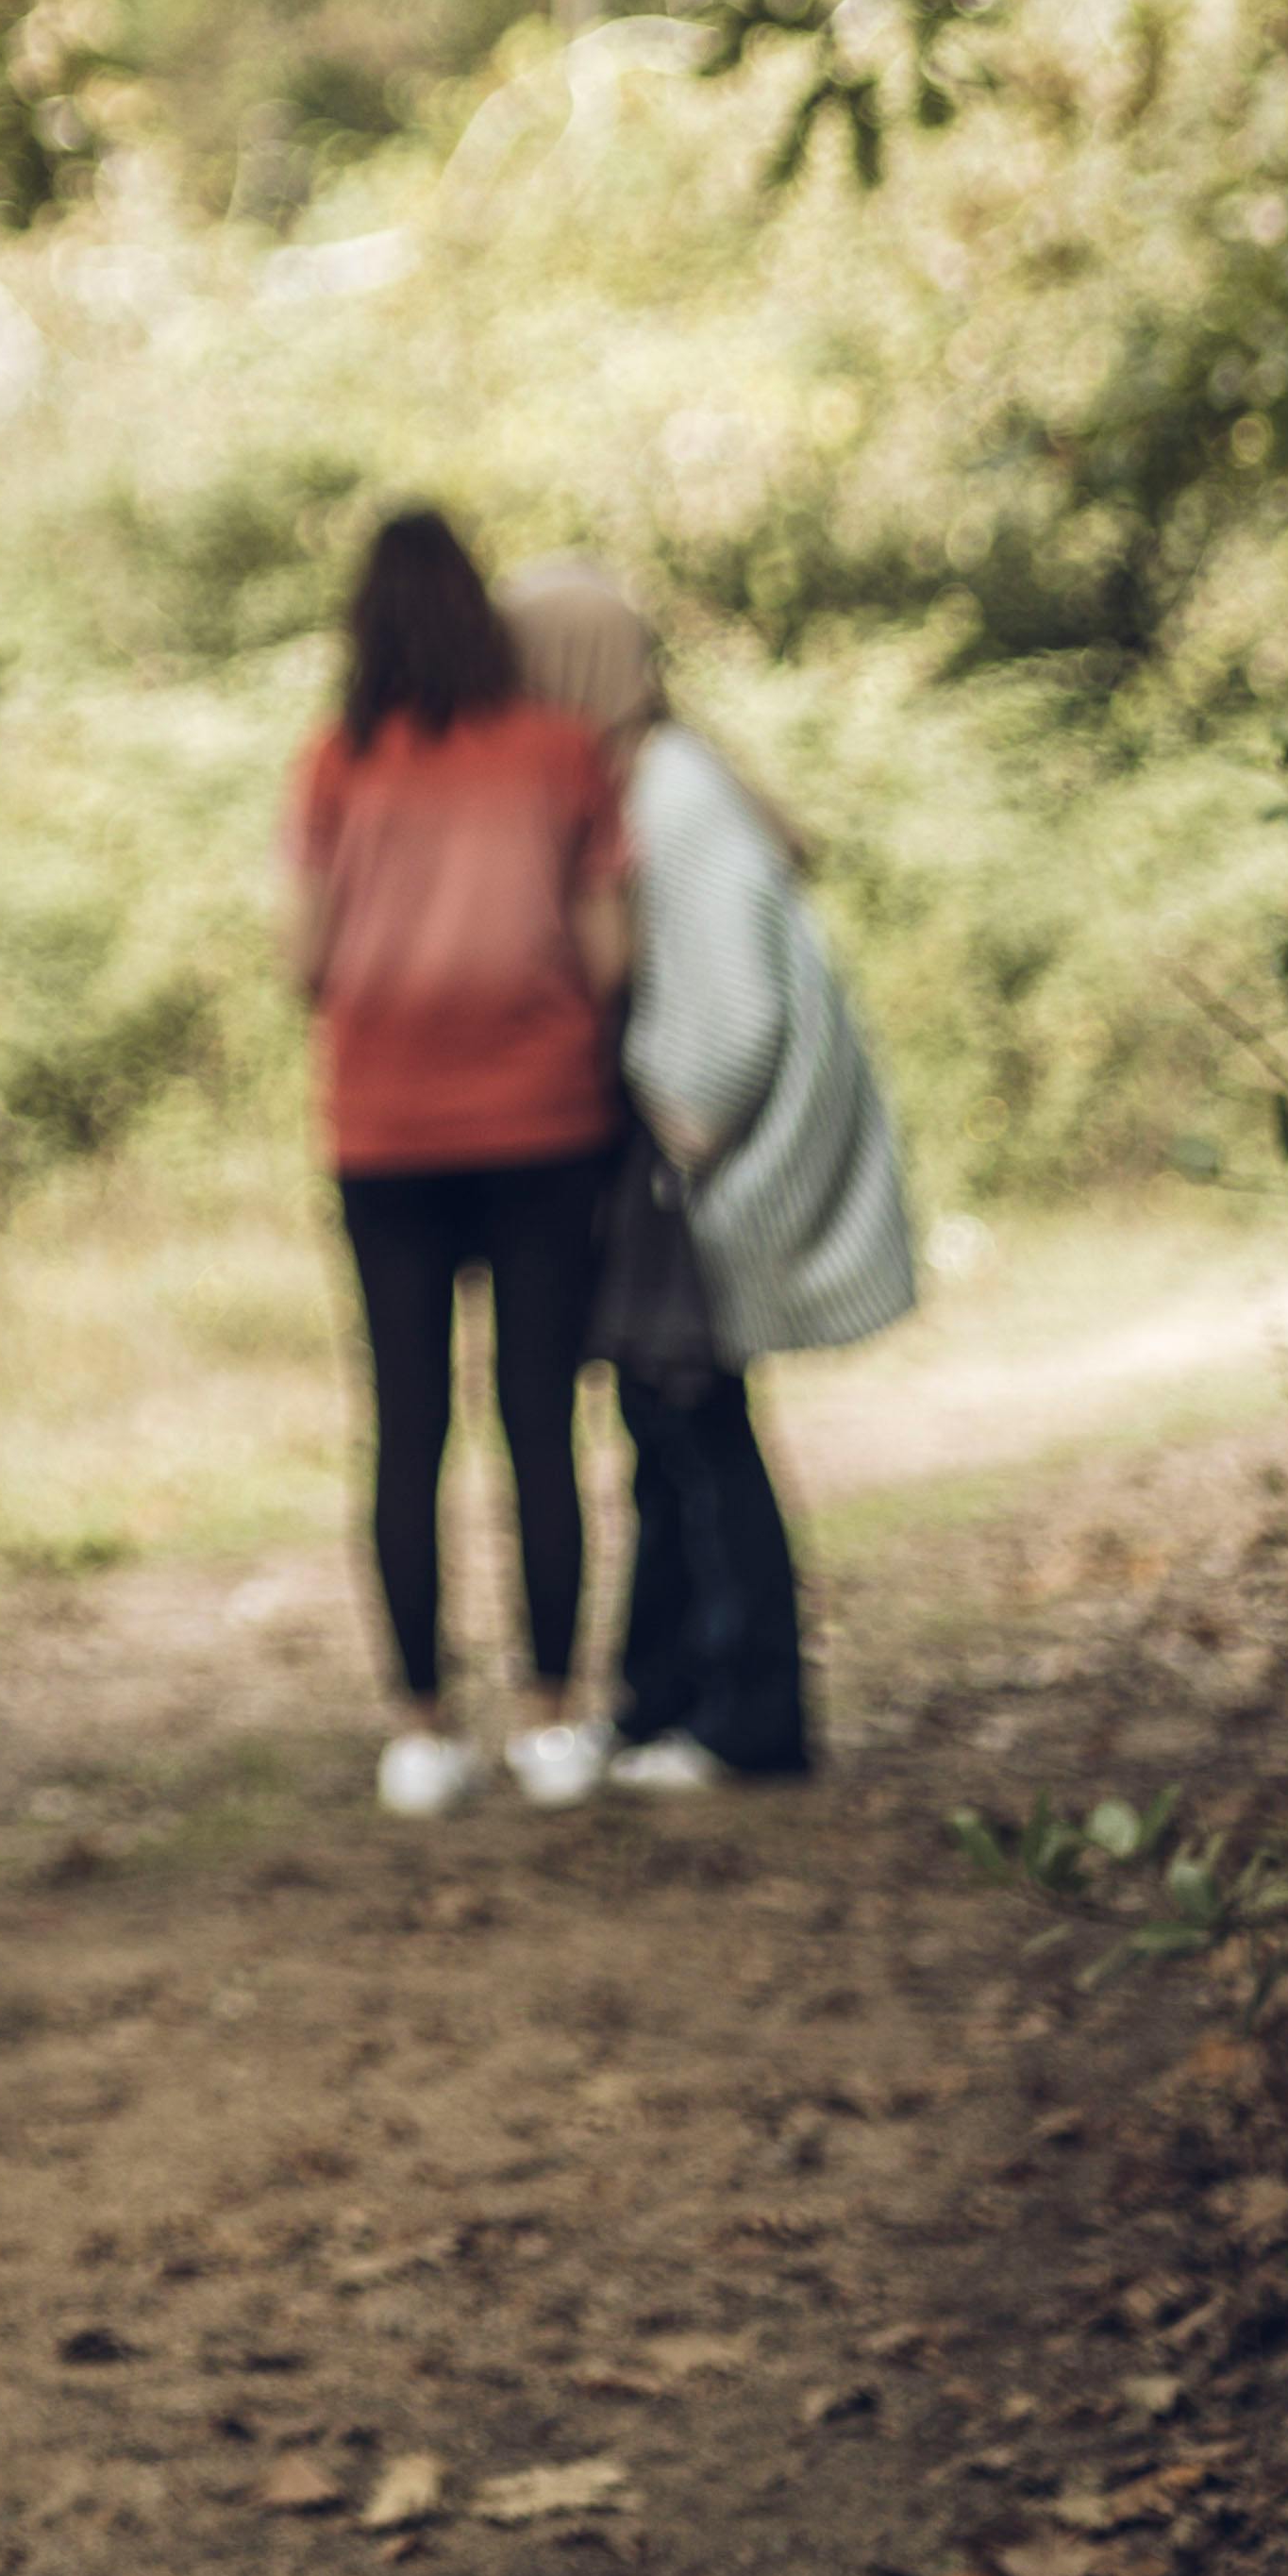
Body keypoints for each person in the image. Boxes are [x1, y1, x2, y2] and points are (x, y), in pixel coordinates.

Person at [501, 556, 915, 1789]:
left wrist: (673, 1132)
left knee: (697, 1431)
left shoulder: (673, 796)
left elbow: (730, 1022)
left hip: (712, 1182)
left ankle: (750, 1721)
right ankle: (659, 1703)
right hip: (699, 1177)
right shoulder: (648, 778)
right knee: (664, 1427)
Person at [281, 504, 633, 1817]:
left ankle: (421, 1727)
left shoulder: (332, 762)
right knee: (540, 1422)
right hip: (546, 1124)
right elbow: (610, 955)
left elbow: (302, 961)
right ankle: (552, 1715)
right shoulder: (560, 754)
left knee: (407, 1426)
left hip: (384, 1133)